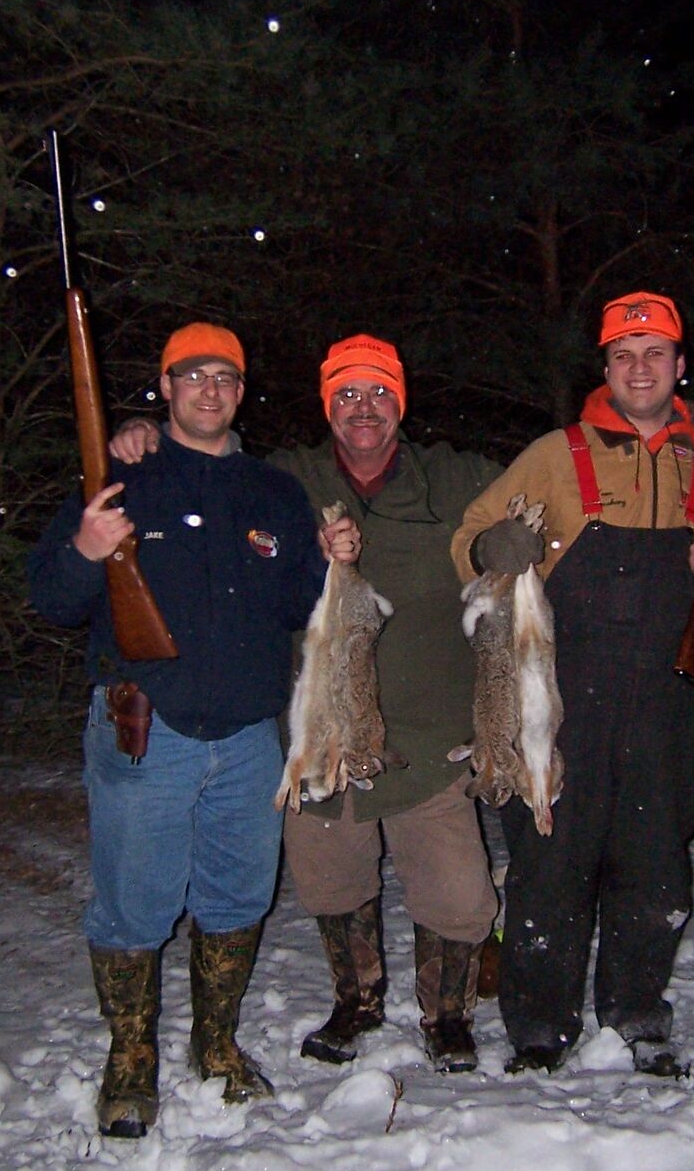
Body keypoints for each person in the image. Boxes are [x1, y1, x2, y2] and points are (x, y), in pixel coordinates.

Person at [109, 336, 502, 1072]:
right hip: (322, 731)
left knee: (460, 897)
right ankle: (356, 1001)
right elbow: (205, 466)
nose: (365, 408)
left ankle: (447, 1013)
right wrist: (139, 438)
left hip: (428, 727)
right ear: (327, 405)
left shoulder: (450, 476)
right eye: (347, 393)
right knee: (331, 880)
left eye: (380, 393)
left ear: (401, 404)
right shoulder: (285, 476)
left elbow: (535, 492)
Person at [28, 322, 360, 1139]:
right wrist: (84, 545)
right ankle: (130, 1067)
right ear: (166, 388)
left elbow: (296, 610)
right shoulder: (122, 476)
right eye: (192, 376)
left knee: (238, 898)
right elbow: (52, 600)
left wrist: (328, 561)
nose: (210, 391)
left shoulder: (273, 491)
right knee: (133, 909)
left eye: (226, 378)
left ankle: (216, 1049)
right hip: (148, 736)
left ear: (241, 392)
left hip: (251, 740)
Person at [450, 292, 694, 1077]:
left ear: (679, 365)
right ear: (605, 368)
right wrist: (494, 550)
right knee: (549, 860)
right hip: (561, 696)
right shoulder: (554, 453)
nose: (640, 369)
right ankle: (539, 1025)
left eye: (655, 354)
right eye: (623, 355)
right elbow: (469, 538)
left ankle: (639, 1013)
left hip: (670, 699)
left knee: (654, 864)